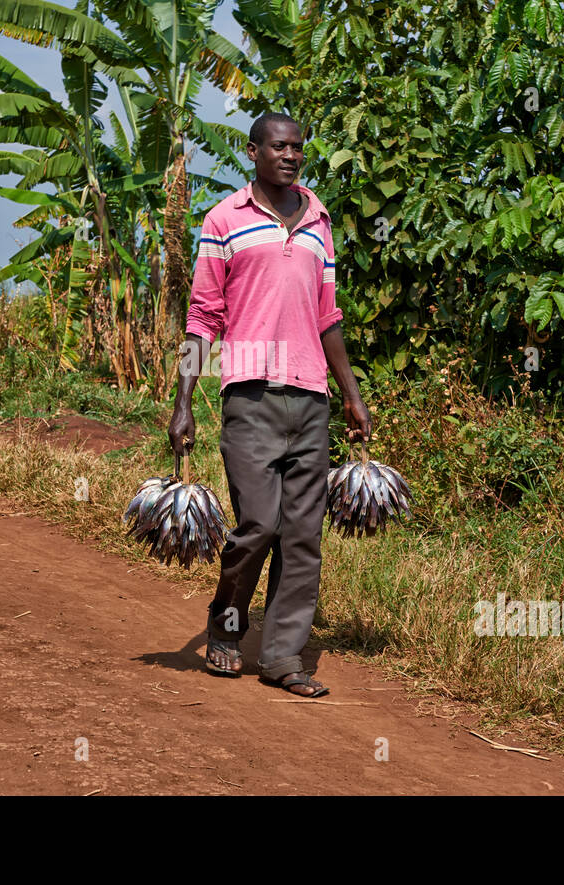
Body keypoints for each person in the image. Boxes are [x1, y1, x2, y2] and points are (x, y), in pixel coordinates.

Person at [168, 112, 371, 697]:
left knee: (302, 535)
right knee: (258, 525)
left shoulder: (318, 220)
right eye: (279, 146)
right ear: (253, 151)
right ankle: (227, 627)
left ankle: (283, 658)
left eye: (298, 148)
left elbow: (327, 314)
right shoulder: (223, 220)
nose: (291, 155)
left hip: (310, 397)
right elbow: (203, 316)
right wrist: (183, 401)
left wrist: (351, 397)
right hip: (249, 395)